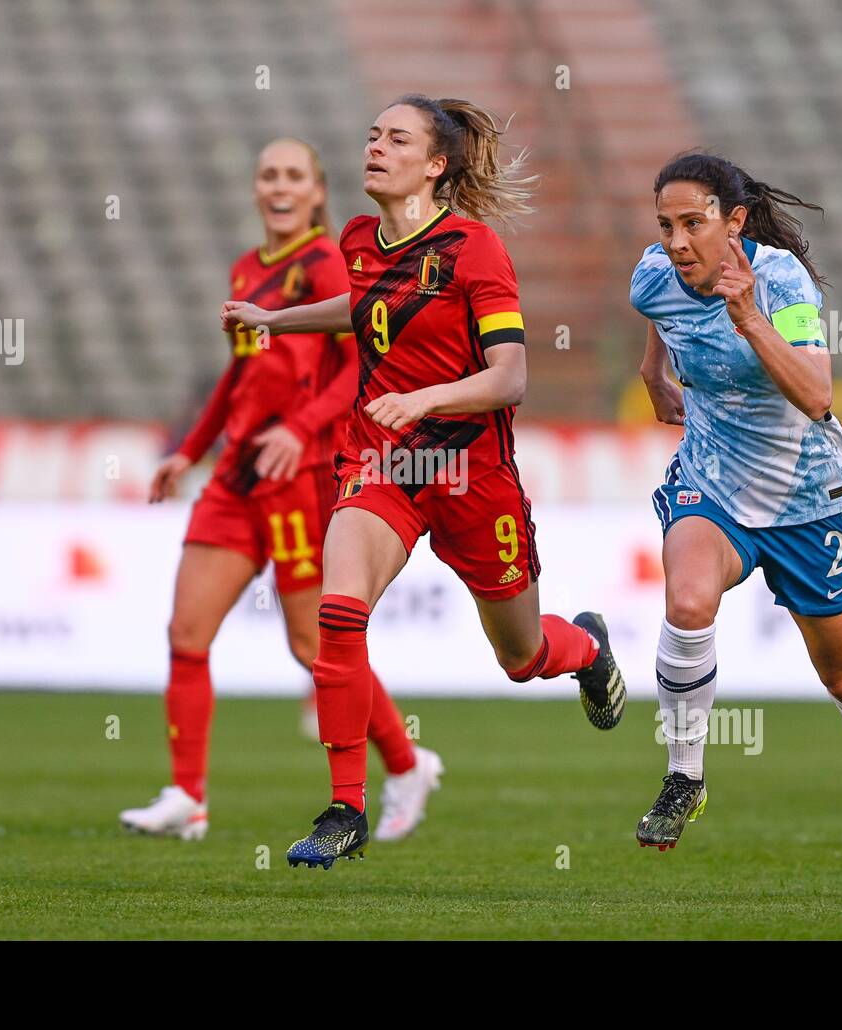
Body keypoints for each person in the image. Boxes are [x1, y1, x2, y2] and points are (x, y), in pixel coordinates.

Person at [222, 97, 626, 870]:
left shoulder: (476, 250)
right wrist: (275, 320)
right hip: (383, 462)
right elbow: (370, 308)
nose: (374, 145)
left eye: (395, 137)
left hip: (472, 476)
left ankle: (587, 652)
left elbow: (510, 378)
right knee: (339, 614)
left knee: (521, 656)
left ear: (436, 165)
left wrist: (427, 398)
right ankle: (346, 808)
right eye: (371, 133)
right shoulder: (357, 240)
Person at [120, 138, 442, 844]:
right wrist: (189, 451)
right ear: (256, 188)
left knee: (312, 642)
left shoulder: (330, 262)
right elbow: (238, 375)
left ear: (318, 193)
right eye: (269, 174)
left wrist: (299, 428)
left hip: (301, 476)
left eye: (295, 175)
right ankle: (187, 794)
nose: (280, 185)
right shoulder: (246, 267)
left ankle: (406, 761)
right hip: (237, 475)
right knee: (186, 632)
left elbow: (362, 359)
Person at [631, 151, 842, 898]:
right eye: (666, 225)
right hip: (713, 483)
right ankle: (684, 776)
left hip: (806, 501)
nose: (676, 241)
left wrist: (748, 317)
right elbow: (655, 313)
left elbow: (818, 393)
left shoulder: (784, 282)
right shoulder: (656, 274)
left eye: (693, 223)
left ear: (734, 222)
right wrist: (653, 372)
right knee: (688, 600)